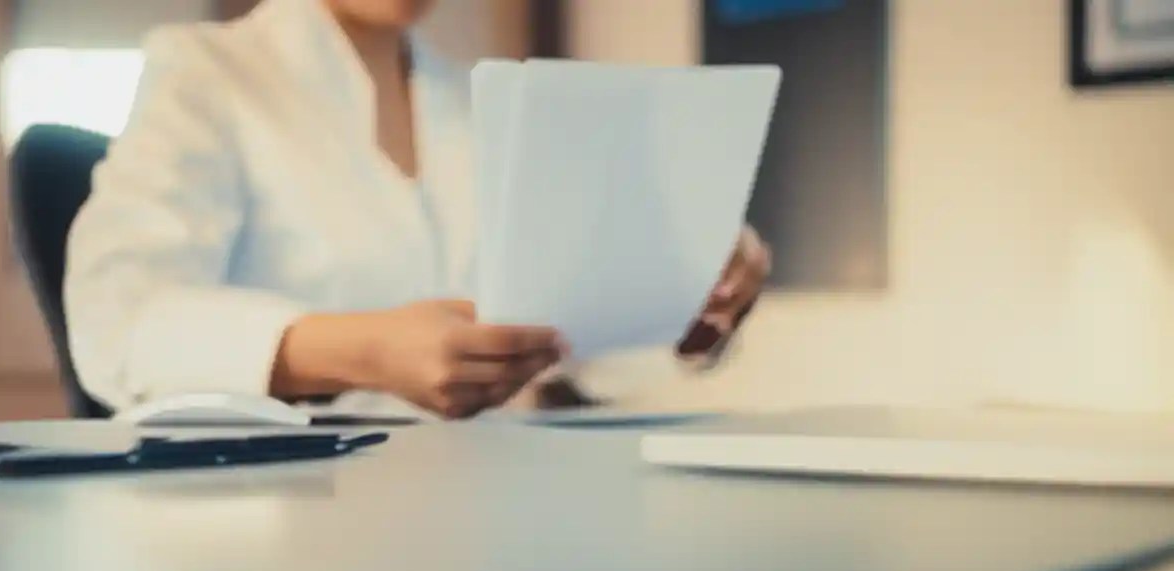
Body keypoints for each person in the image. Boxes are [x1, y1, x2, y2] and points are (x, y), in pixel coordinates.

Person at [64, 0, 771, 420]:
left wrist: (687, 299)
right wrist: (363, 352)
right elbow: (118, 324)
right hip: (276, 536)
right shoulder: (206, 73)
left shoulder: (481, 103)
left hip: (483, 520)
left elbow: (566, 341)